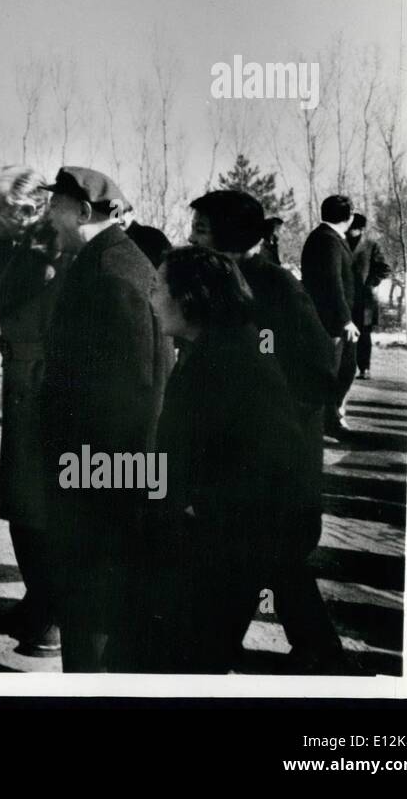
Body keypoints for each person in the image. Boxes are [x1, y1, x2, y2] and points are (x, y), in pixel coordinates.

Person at [188, 190, 353, 673]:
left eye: (201, 230)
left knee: (257, 559)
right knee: (278, 562)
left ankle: (209, 660)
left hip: (273, 464)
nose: (192, 237)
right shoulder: (221, 284)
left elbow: (320, 369)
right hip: (243, 466)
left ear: (230, 238)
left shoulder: (276, 287)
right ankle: (321, 656)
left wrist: (268, 415)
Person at [36, 167, 170, 671]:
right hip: (96, 473)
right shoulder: (100, 261)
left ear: (85, 212)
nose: (48, 215)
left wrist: (101, 486)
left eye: (56, 206)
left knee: (92, 607)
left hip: (103, 482)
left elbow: (137, 393)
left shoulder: (114, 273)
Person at [145, 246, 300, 673]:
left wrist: (202, 505)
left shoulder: (234, 358)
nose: (151, 298)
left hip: (224, 549)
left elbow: (275, 455)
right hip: (205, 542)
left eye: (158, 288)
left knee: (195, 660)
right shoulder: (205, 347)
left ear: (190, 299)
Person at [0, 166, 65, 656]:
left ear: (27, 209)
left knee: (44, 507)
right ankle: (38, 598)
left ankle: (53, 617)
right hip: (21, 386)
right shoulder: (10, 251)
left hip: (47, 391)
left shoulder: (58, 251)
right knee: (21, 504)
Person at [301, 196, 359, 437]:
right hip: (330, 321)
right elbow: (332, 282)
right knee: (336, 371)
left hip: (329, 319)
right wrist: (345, 319)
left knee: (343, 369)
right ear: (349, 217)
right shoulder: (328, 240)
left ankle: (330, 418)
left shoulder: (325, 237)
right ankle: (328, 420)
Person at [347, 214, 391, 381]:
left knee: (364, 335)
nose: (350, 230)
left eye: (353, 228)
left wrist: (370, 283)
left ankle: (364, 368)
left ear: (360, 229)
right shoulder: (339, 243)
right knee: (344, 333)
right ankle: (345, 368)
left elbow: (384, 269)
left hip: (364, 299)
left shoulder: (371, 245)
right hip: (344, 296)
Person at [121, 203, 173, 269]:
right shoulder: (114, 242)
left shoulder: (151, 234)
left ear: (132, 213)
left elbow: (167, 263)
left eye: (122, 213)